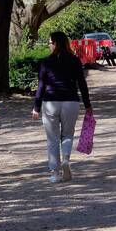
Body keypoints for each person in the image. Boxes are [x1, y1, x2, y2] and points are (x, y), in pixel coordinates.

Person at [31, 31, 92, 184]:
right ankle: (65, 159)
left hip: (50, 102)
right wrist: (88, 104)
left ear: (56, 44)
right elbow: (82, 84)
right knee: (68, 135)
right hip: (70, 101)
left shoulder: (46, 62)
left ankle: (56, 173)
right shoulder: (75, 60)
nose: (49, 45)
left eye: (50, 43)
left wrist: (36, 107)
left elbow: (41, 86)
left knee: (52, 139)